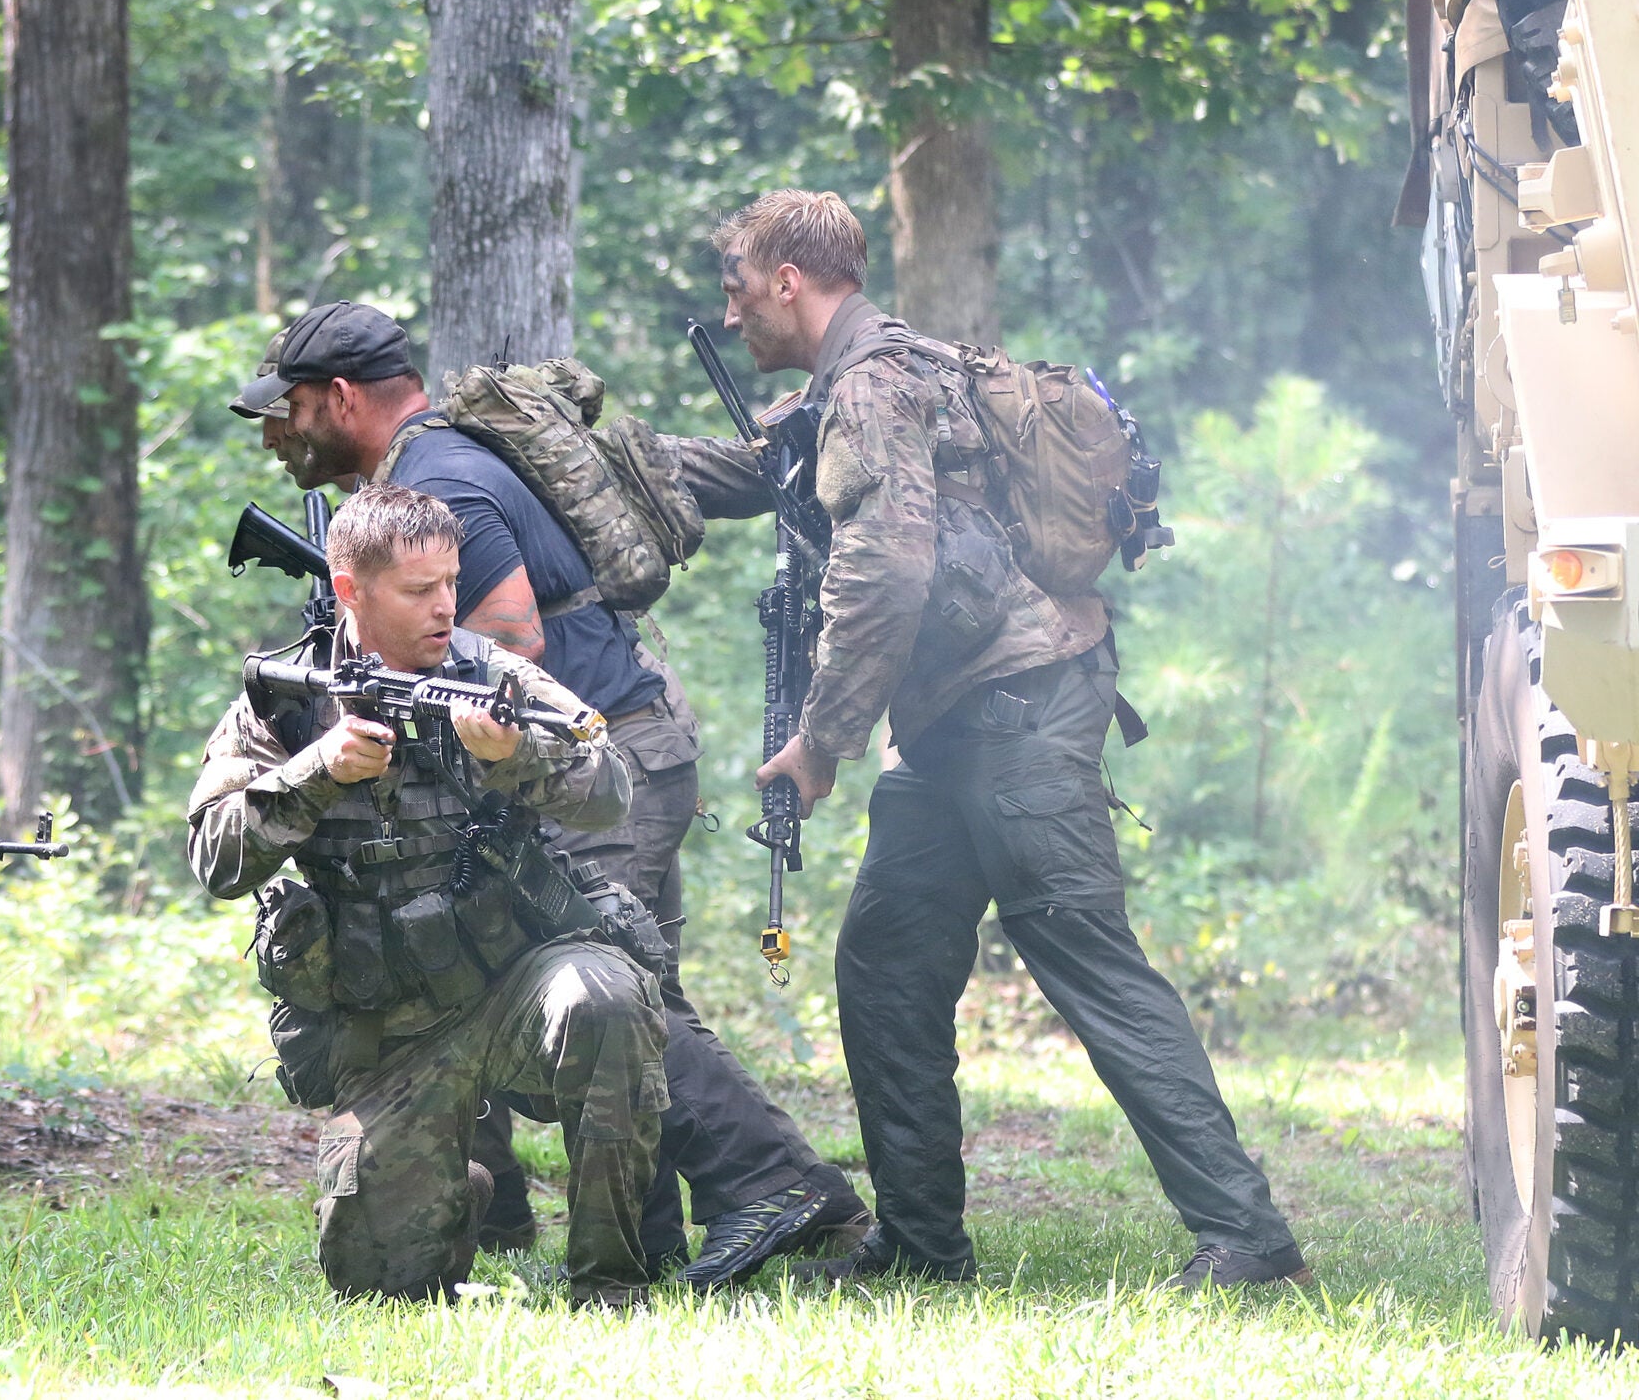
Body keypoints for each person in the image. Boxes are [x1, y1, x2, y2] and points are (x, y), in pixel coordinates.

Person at [685, 186, 1310, 1291]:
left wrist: (820, 739)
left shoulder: (874, 382)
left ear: (789, 278)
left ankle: (1250, 1239)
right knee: (882, 963)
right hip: (951, 728)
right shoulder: (873, 378)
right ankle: (923, 1247)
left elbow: (887, 568)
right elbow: (758, 476)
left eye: (736, 287)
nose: (730, 315)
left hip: (1019, 709)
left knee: (1086, 959)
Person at [228, 302, 867, 1290]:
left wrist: (433, 739)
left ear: (342, 397)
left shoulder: (438, 479)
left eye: (295, 407)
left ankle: (781, 1189)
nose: (283, 431)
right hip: (621, 738)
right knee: (615, 985)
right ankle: (650, 1235)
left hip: (597, 756)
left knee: (613, 982)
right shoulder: (433, 466)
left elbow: (506, 647)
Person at [186, 484, 666, 1307]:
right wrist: (317, 772)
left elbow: (612, 788)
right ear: (351, 591)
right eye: (418, 590)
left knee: (608, 996)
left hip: (515, 983)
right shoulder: (287, 699)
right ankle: (456, 1185)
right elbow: (214, 858)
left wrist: (515, 758)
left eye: (451, 581)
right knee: (378, 1286)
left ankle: (610, 1284)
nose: (445, 606)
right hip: (390, 1023)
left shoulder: (492, 673)